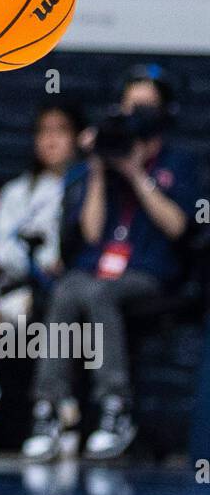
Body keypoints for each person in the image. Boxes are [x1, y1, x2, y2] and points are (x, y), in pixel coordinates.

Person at [23, 65, 200, 462]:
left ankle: (114, 409)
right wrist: (101, 170)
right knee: (69, 288)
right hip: (95, 270)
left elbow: (178, 227)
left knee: (99, 292)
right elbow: (89, 232)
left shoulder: (179, 164)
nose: (137, 116)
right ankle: (50, 409)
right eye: (131, 107)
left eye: (147, 108)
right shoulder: (96, 162)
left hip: (150, 275)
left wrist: (135, 173)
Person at [0, 101, 82, 325]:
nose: (51, 141)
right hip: (21, 288)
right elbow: (2, 251)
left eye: (61, 131)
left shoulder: (90, 188)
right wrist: (42, 264)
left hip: (73, 286)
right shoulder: (16, 191)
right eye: (44, 132)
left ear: (78, 137)